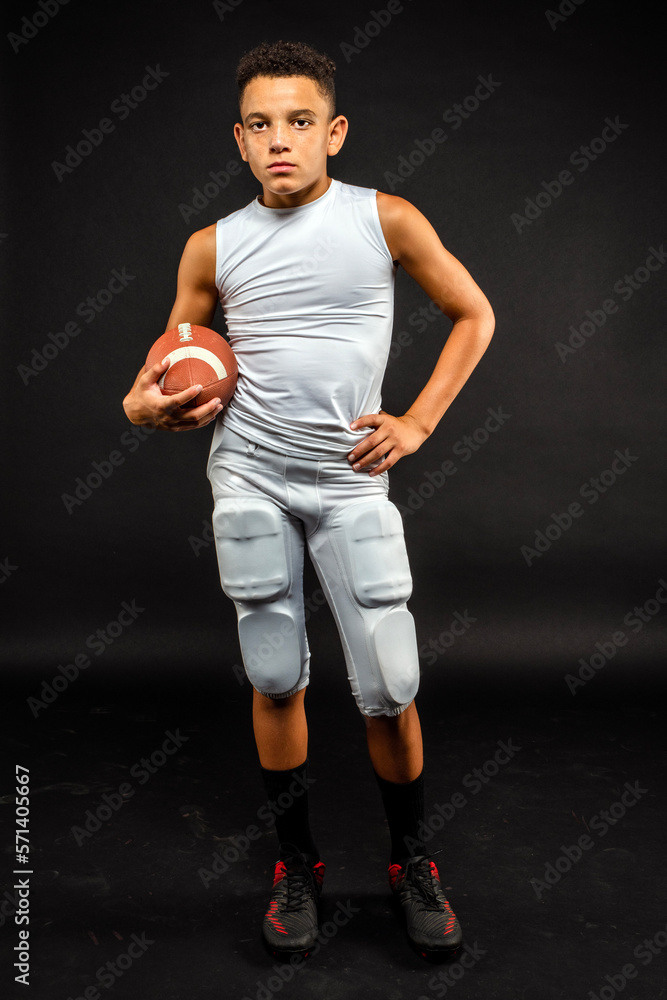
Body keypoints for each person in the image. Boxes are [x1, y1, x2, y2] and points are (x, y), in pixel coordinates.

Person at [123, 39, 494, 960]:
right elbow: (168, 358)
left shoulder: (386, 219)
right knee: (273, 669)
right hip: (248, 470)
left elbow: (474, 314)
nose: (279, 140)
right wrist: (138, 403)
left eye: (298, 122)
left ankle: (412, 860)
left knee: (388, 680)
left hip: (346, 477)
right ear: (239, 141)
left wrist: (416, 422)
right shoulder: (212, 244)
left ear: (333, 132)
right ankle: (298, 865)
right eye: (260, 124)